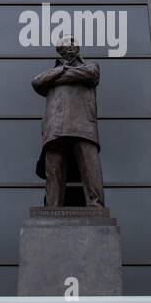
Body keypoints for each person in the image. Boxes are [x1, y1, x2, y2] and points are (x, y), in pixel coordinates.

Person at [31, 38, 105, 208]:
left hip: (83, 125)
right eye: (66, 46)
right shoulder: (53, 70)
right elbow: (37, 82)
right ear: (60, 51)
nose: (71, 47)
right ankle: (52, 208)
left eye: (73, 44)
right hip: (55, 128)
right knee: (54, 173)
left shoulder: (91, 66)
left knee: (91, 169)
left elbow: (90, 74)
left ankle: (96, 206)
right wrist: (62, 70)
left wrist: (57, 76)